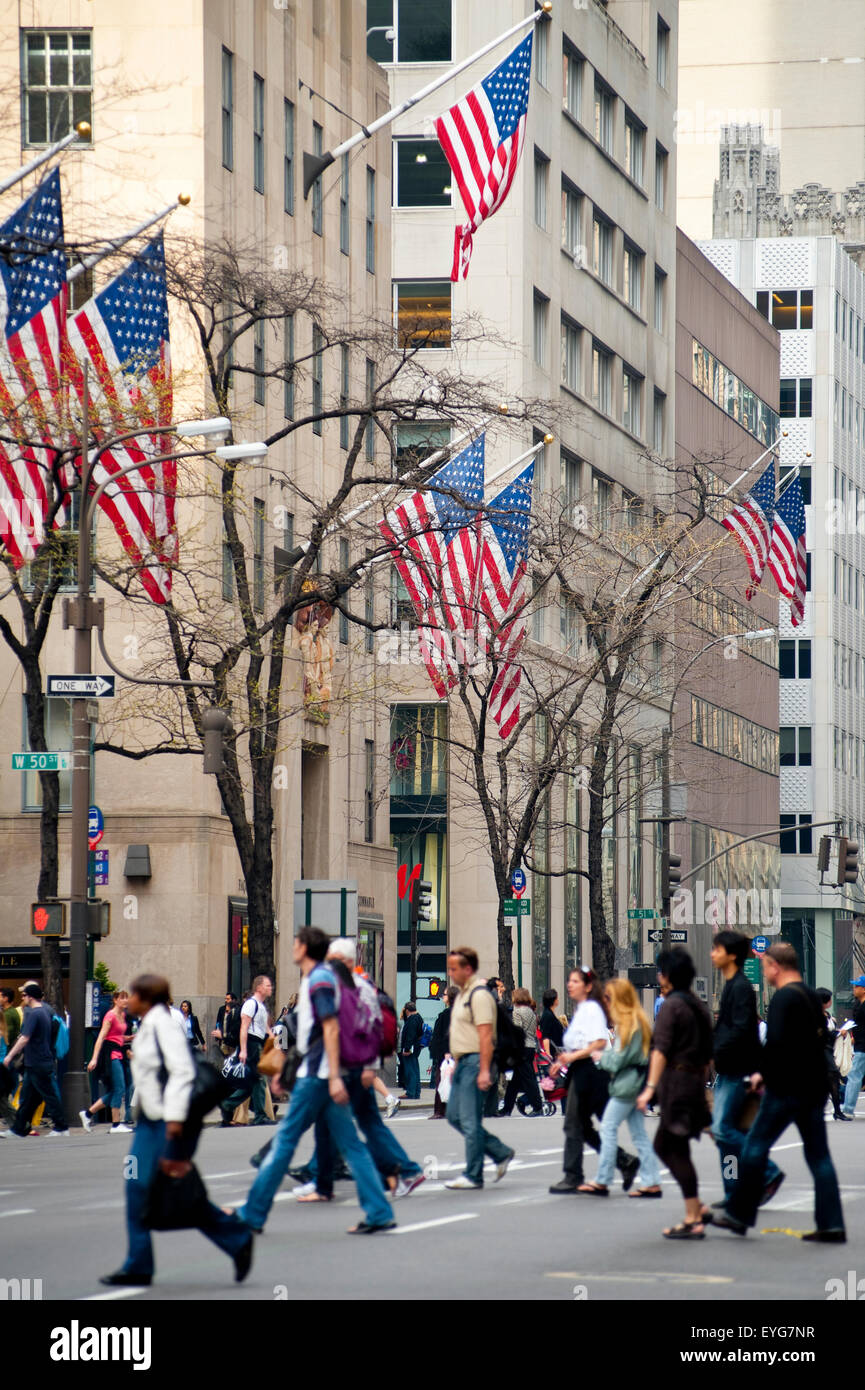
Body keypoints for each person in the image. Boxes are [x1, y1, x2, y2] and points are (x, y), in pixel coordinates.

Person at [235, 927, 396, 1235]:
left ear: (305, 947)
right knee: (351, 1145)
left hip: (319, 1076)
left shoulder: (320, 980)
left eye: (295, 943)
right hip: (322, 1073)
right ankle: (379, 1211)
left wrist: (333, 1076)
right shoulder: (321, 978)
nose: (292, 947)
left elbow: (330, 1028)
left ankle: (253, 1213)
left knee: (285, 1142)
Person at [98, 972, 253, 1287]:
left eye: (133, 994)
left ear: (146, 997)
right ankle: (139, 1263)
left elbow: (182, 1071)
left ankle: (234, 1238)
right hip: (151, 1121)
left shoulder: (162, 1023)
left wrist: (174, 1123)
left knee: (162, 1188)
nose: (128, 1000)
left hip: (166, 1122)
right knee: (143, 1188)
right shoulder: (151, 1023)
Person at [712, 943, 845, 1243]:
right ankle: (831, 1223)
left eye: (766, 967)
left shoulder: (783, 998)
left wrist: (762, 1075)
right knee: (819, 1157)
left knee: (753, 1147)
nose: (765, 973)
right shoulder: (812, 997)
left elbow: (777, 1044)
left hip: (785, 1088)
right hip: (814, 1086)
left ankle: (739, 1214)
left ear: (775, 965)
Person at [296, 937, 425, 1203]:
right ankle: (326, 1180)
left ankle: (329, 1182)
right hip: (349, 1066)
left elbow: (370, 1028)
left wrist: (368, 1066)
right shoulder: (350, 984)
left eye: (331, 959)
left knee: (344, 1126)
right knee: (356, 1123)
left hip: (351, 1068)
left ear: (343, 961)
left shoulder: (357, 986)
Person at [636, 949, 713, 1239]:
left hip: (676, 1085)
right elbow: (708, 1055)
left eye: (661, 970)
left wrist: (650, 1089)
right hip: (693, 1082)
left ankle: (694, 1216)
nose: (658, 975)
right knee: (673, 1147)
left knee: (670, 1147)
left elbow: (660, 1050)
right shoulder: (698, 1005)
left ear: (667, 975)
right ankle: (696, 1209)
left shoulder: (670, 1007)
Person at [710, 930, 784, 1207]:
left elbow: (743, 1030)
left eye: (716, 949)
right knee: (725, 1133)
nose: (712, 953)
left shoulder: (740, 987)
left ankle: (768, 1171)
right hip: (730, 1069)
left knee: (724, 1130)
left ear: (730, 955)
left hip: (737, 1071)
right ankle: (734, 1193)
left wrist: (715, 1049)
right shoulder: (732, 984)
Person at [548, 967, 638, 1195]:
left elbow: (598, 1042)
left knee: (575, 1124)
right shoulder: (583, 1009)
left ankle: (573, 1175)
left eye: (575, 981)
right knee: (584, 1126)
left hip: (589, 1072)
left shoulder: (591, 1009)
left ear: (588, 986)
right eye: (569, 980)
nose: (570, 984)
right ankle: (623, 1161)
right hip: (583, 1070)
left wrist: (571, 1057)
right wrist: (565, 1061)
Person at [580, 979, 661, 1197]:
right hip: (634, 1082)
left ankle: (603, 1179)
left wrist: (600, 1057)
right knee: (638, 1134)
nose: (606, 1002)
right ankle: (651, 1180)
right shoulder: (638, 1022)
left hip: (626, 1085)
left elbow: (618, 1061)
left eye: (608, 997)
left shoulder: (628, 1025)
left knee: (607, 1128)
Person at [444, 948, 515, 1190]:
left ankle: (474, 1174)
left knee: (469, 1119)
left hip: (476, 1061)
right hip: (464, 1062)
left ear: (468, 969)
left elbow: (486, 1035)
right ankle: (500, 1151)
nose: (450, 973)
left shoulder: (479, 995)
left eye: (454, 968)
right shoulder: (464, 994)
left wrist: (485, 1070)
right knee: (454, 1116)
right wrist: (456, 1062)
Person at [0, 983, 69, 1138]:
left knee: (48, 1095)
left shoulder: (33, 1013)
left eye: (24, 995)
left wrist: (10, 1056)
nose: (23, 998)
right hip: (39, 1061)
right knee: (28, 1098)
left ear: (30, 997)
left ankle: (61, 1126)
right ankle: (19, 1129)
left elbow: (24, 1038)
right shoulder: (45, 1010)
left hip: (37, 1062)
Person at [219, 975, 273, 1126]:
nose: (270, 988)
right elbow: (244, 1028)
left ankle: (228, 1105)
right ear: (259, 987)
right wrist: (243, 1050)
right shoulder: (251, 1004)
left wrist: (271, 1037)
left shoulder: (261, 1006)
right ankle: (260, 1116)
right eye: (267, 985)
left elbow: (264, 1028)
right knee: (258, 1079)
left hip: (257, 1044)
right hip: (251, 1044)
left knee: (253, 1081)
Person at [80, 990, 133, 1134]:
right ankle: (115, 1124)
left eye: (126, 998)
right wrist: (94, 1058)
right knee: (120, 1087)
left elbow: (118, 1037)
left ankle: (88, 1114)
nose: (125, 1000)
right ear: (115, 1000)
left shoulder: (122, 1015)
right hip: (111, 1054)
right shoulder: (110, 1016)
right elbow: (102, 1037)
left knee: (116, 1089)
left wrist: (131, 1037)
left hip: (119, 1052)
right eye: (122, 998)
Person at [500, 988, 543, 1117]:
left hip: (521, 1048)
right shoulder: (531, 1011)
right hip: (530, 1046)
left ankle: (537, 1106)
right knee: (515, 1081)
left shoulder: (517, 1011)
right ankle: (507, 1107)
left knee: (529, 1079)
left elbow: (517, 1031)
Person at [816, 988, 850, 1121]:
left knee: (830, 1080)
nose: (831, 1001)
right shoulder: (816, 1016)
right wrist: (837, 1033)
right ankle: (836, 1110)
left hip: (829, 1051)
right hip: (822, 1052)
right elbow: (822, 1035)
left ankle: (836, 1110)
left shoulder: (827, 1015)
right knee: (832, 1077)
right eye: (829, 998)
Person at [429, 987, 456, 1119]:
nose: (442, 996)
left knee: (442, 1080)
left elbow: (446, 1034)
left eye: (444, 994)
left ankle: (440, 1110)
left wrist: (446, 1051)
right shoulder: (455, 1012)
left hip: (446, 1053)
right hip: (451, 1051)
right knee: (448, 1081)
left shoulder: (448, 1014)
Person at [840, 975, 865, 1117]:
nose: (854, 989)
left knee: (854, 1076)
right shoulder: (857, 1004)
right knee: (855, 1075)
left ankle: (848, 1109)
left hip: (863, 1046)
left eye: (857, 986)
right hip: (859, 1044)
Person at [398, 1002, 423, 1100]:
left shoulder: (412, 1020)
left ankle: (411, 1092)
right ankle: (416, 1092)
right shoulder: (418, 1017)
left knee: (410, 1071)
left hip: (410, 1049)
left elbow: (410, 1035)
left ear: (407, 1011)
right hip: (415, 1048)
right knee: (415, 1070)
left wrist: (407, 1048)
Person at [212, 993, 241, 1057]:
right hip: (223, 1039)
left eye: (228, 999)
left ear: (233, 1000)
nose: (226, 1000)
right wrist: (217, 1033)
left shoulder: (237, 1010)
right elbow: (218, 1022)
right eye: (225, 999)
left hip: (232, 1040)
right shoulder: (222, 1009)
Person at [539, 988, 564, 1055]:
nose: (558, 1000)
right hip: (553, 1051)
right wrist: (548, 1053)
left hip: (556, 1050)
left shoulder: (549, 1014)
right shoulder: (548, 1015)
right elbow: (546, 1036)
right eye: (556, 998)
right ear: (553, 1000)